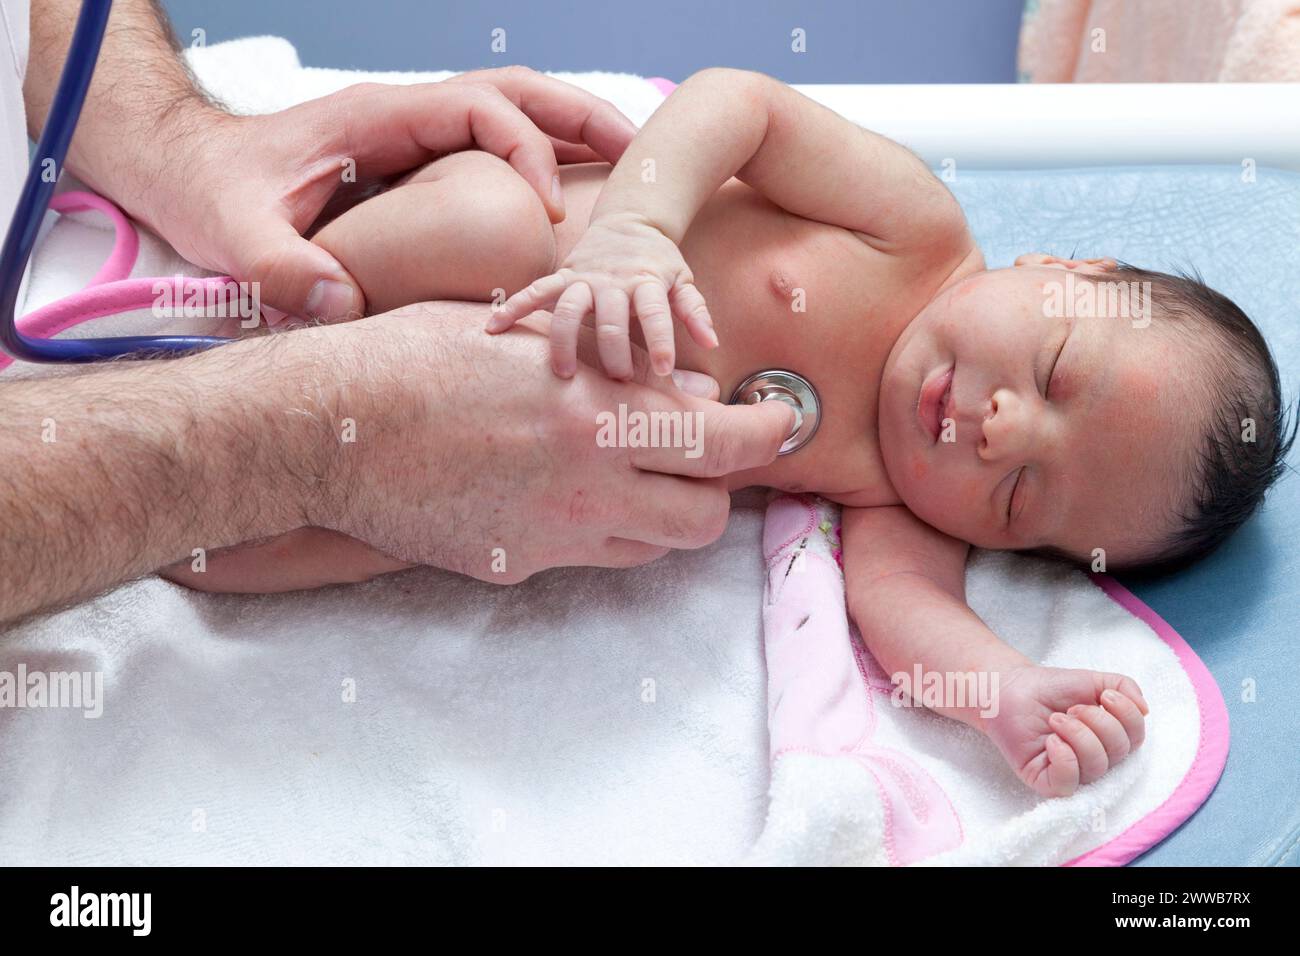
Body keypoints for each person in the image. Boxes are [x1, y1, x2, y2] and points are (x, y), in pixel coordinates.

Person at [0, 0, 795, 624]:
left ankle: (225, 532)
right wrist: (635, 230)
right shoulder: (920, 238)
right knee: (489, 235)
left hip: (525, 430)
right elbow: (743, 101)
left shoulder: (893, 489)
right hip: (494, 255)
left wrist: (175, 141)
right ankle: (265, 361)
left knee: (408, 527)